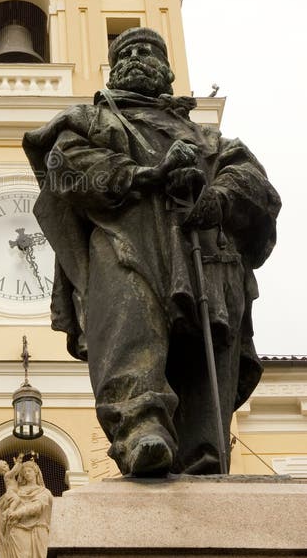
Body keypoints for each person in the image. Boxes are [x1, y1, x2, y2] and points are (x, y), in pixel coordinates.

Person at [23, 27, 280, 477]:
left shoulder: (210, 141)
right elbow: (66, 168)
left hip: (204, 251)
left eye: (150, 50)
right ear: (114, 67)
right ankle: (141, 427)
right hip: (128, 240)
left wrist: (215, 196)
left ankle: (205, 448)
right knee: (129, 328)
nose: (140, 55)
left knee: (208, 344)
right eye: (130, 50)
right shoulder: (90, 120)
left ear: (168, 70)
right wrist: (148, 175)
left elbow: (256, 185)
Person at [0, 456, 53, 558]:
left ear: (36, 472)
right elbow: (7, 503)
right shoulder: (17, 491)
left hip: (39, 528)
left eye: (30, 471)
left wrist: (18, 513)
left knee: (42, 557)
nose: (27, 473)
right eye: (24, 471)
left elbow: (38, 507)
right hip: (17, 528)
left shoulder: (44, 492)